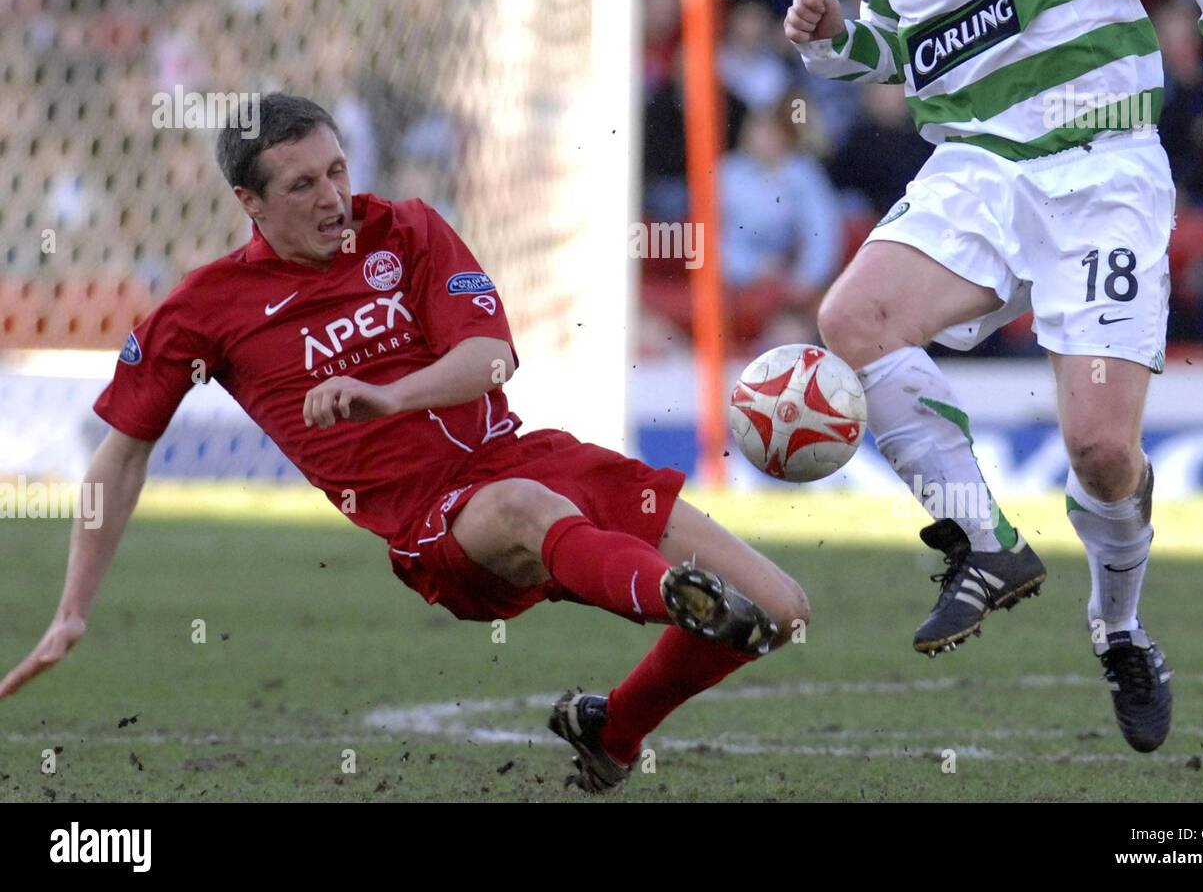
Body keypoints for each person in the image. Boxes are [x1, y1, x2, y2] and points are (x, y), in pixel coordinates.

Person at [0, 93, 808, 794]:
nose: (334, 197)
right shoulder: (205, 310)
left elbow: (492, 356)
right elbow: (123, 451)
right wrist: (72, 609)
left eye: (338, 170)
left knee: (779, 611)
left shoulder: (408, 229)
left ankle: (614, 731)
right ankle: (671, 592)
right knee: (529, 508)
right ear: (249, 200)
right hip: (439, 525)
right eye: (303, 184)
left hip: (528, 458)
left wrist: (388, 394)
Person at [784, 0, 1203, 754]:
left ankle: (1120, 626)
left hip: (1100, 167)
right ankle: (987, 542)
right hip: (979, 168)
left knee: (1098, 450)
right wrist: (834, 42)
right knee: (852, 318)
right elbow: (912, 57)